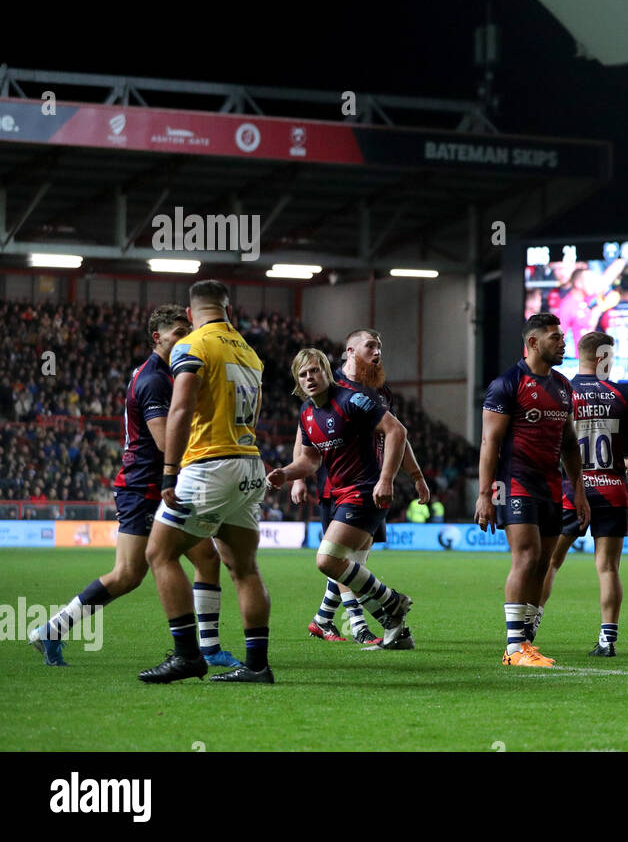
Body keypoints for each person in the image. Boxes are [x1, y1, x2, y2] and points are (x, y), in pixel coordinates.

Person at [28, 305, 240, 670]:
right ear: (157, 337)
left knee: (206, 557)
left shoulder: (170, 373)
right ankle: (53, 629)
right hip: (146, 488)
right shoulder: (155, 379)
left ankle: (208, 648)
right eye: (177, 332)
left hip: (166, 485)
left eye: (187, 331)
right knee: (128, 575)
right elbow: (163, 441)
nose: (185, 338)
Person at [138, 280, 274, 684]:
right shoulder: (250, 352)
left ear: (192, 314)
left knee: (159, 553)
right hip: (250, 465)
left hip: (209, 464)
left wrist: (169, 471)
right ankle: (256, 666)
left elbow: (179, 409)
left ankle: (186, 656)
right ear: (228, 310)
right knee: (244, 568)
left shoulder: (192, 345)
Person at [268, 348, 415, 652]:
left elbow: (396, 430)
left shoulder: (351, 400)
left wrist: (387, 479)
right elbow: (309, 460)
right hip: (339, 494)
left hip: (366, 490)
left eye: (315, 371)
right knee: (351, 567)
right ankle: (395, 629)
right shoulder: (307, 413)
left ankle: (391, 602)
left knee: (328, 560)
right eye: (303, 374)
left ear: (326, 371)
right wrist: (286, 473)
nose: (310, 378)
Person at [477, 313, 590, 667]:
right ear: (532, 343)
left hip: (551, 486)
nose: (563, 342)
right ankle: (513, 649)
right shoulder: (507, 384)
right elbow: (489, 441)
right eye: (555, 337)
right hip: (516, 482)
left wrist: (580, 492)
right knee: (525, 557)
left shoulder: (562, 385)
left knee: (542, 563)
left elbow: (570, 444)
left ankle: (525, 642)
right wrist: (485, 494)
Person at [538, 331, 628, 656]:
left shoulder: (562, 390)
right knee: (607, 568)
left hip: (570, 490)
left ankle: (530, 627)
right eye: (612, 356)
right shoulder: (621, 393)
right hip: (612, 489)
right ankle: (607, 640)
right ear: (602, 357)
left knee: (550, 562)